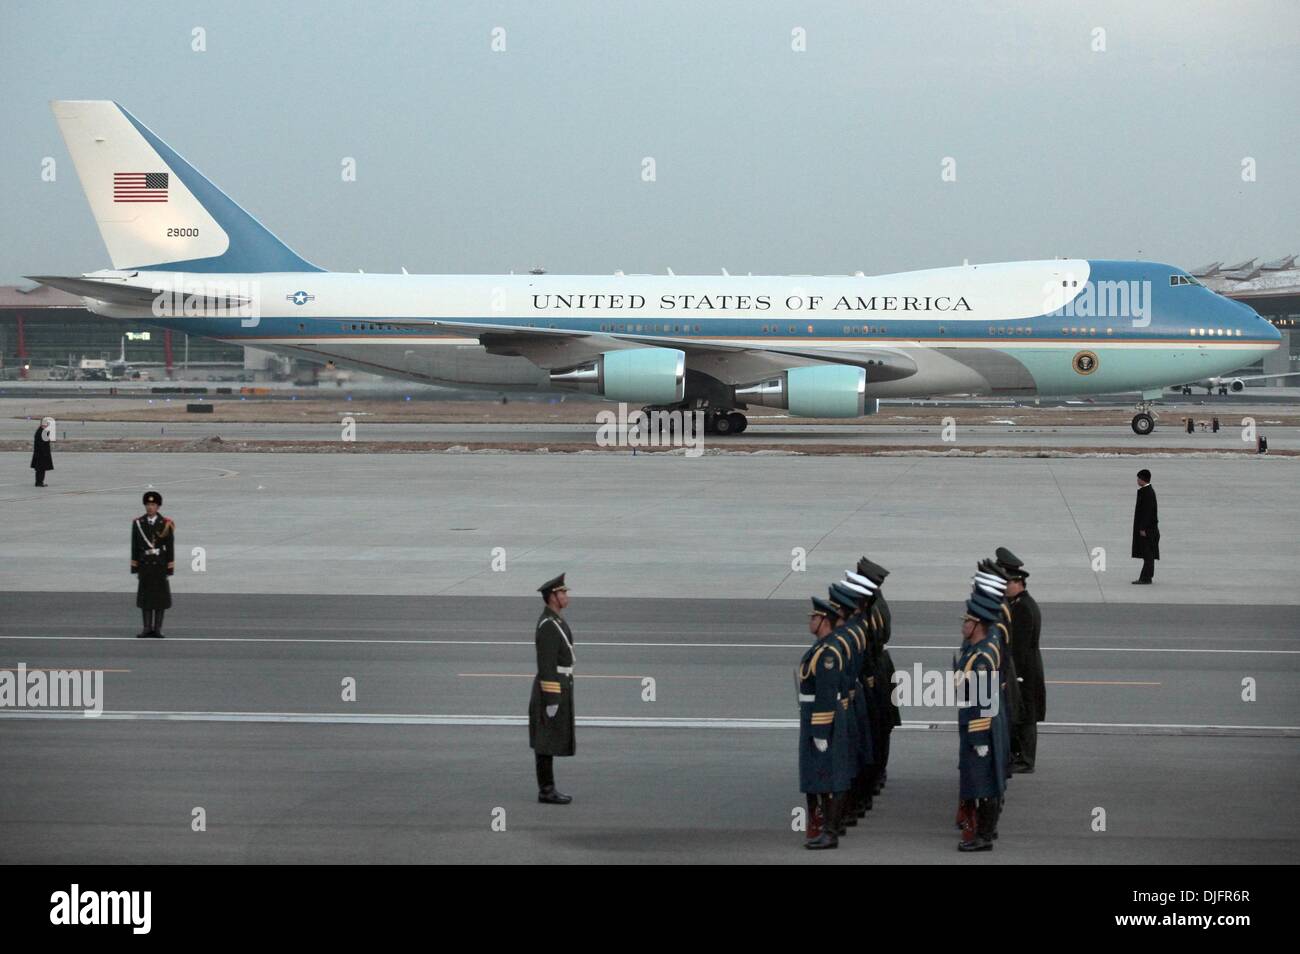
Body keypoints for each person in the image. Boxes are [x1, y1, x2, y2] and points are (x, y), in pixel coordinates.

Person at [955, 591, 1010, 852]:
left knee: (984, 781)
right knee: (978, 779)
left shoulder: (981, 659)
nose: (964, 625)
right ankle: (983, 831)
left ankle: (984, 836)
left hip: (982, 726)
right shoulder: (979, 651)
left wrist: (978, 739)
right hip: (976, 721)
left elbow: (983, 701)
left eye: (967, 621)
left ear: (977, 625)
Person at [798, 596, 851, 850]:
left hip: (823, 721)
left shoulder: (828, 653)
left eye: (814, 618)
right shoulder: (821, 648)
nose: (811, 620)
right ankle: (824, 828)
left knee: (829, 776)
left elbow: (827, 694)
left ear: (824, 621)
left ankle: (830, 832)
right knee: (817, 775)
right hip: (814, 718)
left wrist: (820, 731)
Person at [528, 573, 576, 804]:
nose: (566, 596)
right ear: (552, 597)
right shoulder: (548, 625)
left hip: (560, 685)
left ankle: (548, 788)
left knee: (549, 739)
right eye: (563, 592)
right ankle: (546, 789)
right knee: (545, 741)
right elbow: (546, 664)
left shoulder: (555, 621)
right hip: (552, 688)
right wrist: (552, 698)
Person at [996, 547, 1045, 773]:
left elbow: (1020, 646)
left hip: (1025, 667)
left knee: (1026, 715)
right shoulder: (1019, 604)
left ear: (1018, 583)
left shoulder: (1023, 608)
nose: (1004, 588)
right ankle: (1019, 756)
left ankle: (1026, 760)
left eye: (1007, 584)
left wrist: (1016, 673)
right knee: (1020, 712)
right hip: (1024, 666)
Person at [131, 491, 175, 637]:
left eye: (153, 505)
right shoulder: (138, 523)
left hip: (159, 564)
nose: (150, 507)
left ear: (158, 506)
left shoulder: (166, 523)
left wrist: (169, 568)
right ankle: (146, 628)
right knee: (146, 597)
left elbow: (170, 547)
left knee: (160, 598)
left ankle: (157, 628)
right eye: (148, 505)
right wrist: (135, 567)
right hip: (145, 564)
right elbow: (135, 546)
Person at [1131, 469, 1160, 584]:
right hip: (1149, 529)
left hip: (1148, 530)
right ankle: (1147, 576)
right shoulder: (1147, 491)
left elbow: (1147, 512)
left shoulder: (1147, 493)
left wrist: (1143, 528)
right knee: (1148, 554)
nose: (1137, 480)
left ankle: (1145, 578)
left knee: (1148, 554)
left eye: (1138, 478)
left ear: (1143, 479)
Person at [31, 418, 54, 487]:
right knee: (41, 469)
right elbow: (44, 443)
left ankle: (39, 482)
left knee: (39, 469)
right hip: (41, 454)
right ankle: (39, 482)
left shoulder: (40, 431)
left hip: (39, 454)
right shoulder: (42, 431)